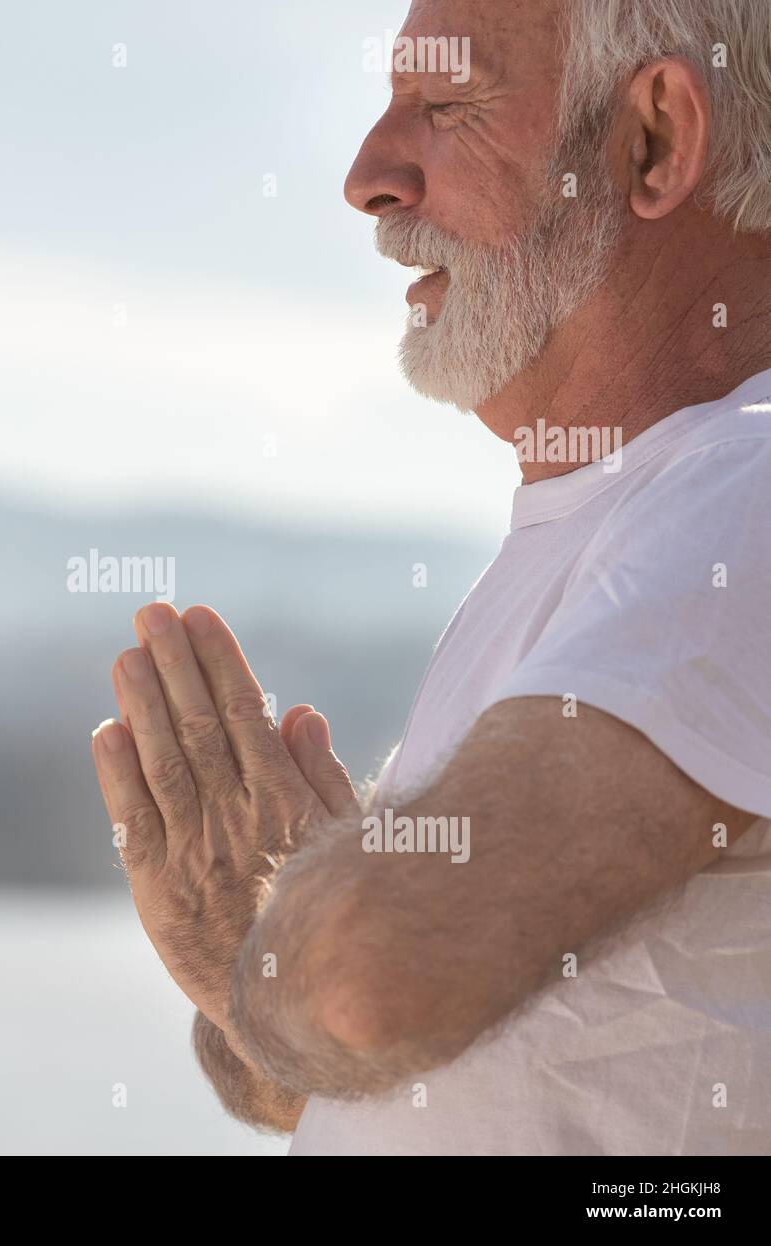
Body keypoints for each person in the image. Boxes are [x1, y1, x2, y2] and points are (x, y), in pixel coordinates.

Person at [90, 0, 771, 1155]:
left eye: (446, 104)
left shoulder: (742, 482)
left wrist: (275, 935)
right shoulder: (617, 517)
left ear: (652, 140)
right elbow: (389, 1074)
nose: (367, 176)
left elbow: (365, 987)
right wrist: (264, 967)